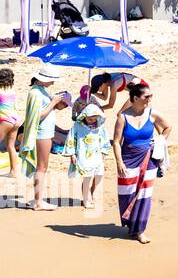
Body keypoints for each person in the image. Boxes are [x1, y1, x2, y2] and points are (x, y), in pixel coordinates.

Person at [112, 82, 170, 243]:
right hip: (128, 159)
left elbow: (167, 128)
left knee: (144, 195)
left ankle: (140, 230)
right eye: (146, 97)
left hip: (148, 159)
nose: (150, 99)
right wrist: (119, 163)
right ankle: (131, 225)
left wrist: (159, 141)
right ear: (135, 98)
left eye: (151, 96)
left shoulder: (152, 114)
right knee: (127, 194)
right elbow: (116, 142)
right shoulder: (122, 118)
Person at [19, 65, 69, 211]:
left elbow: (43, 111)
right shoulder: (35, 93)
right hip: (41, 133)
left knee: (41, 167)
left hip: (44, 132)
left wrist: (57, 103)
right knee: (42, 167)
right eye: (51, 80)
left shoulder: (39, 91)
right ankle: (38, 201)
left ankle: (38, 200)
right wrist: (53, 102)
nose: (53, 83)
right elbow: (37, 116)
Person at [69, 103, 109, 210]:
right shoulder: (77, 126)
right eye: (89, 118)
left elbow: (105, 140)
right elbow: (71, 138)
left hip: (97, 155)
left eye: (94, 118)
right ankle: (85, 199)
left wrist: (104, 151)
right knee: (87, 177)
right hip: (83, 155)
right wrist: (72, 154)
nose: (92, 121)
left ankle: (92, 192)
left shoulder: (100, 127)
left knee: (99, 175)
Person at [0, 68, 20, 178]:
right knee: (10, 146)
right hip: (16, 119)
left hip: (6, 120)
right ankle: (14, 172)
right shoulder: (12, 91)